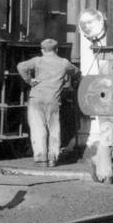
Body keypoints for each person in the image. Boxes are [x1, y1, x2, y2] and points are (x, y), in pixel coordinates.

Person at [17, 39, 77, 167]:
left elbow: (20, 66)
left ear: (42, 50)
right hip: (53, 100)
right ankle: (52, 159)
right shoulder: (64, 62)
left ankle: (41, 159)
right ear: (57, 50)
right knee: (54, 129)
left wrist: (30, 80)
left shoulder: (37, 60)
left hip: (36, 99)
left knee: (38, 129)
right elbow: (76, 72)